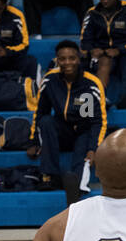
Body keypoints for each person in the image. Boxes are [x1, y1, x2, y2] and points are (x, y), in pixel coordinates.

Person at [27, 40, 107, 196]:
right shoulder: (50, 81)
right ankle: (49, 176)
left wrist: (93, 148)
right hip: (61, 131)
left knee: (84, 135)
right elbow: (40, 112)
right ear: (57, 60)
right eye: (62, 59)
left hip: (82, 131)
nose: (67, 62)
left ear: (78, 59)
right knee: (46, 121)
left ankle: (76, 183)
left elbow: (96, 121)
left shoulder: (90, 84)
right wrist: (34, 141)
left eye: (71, 58)